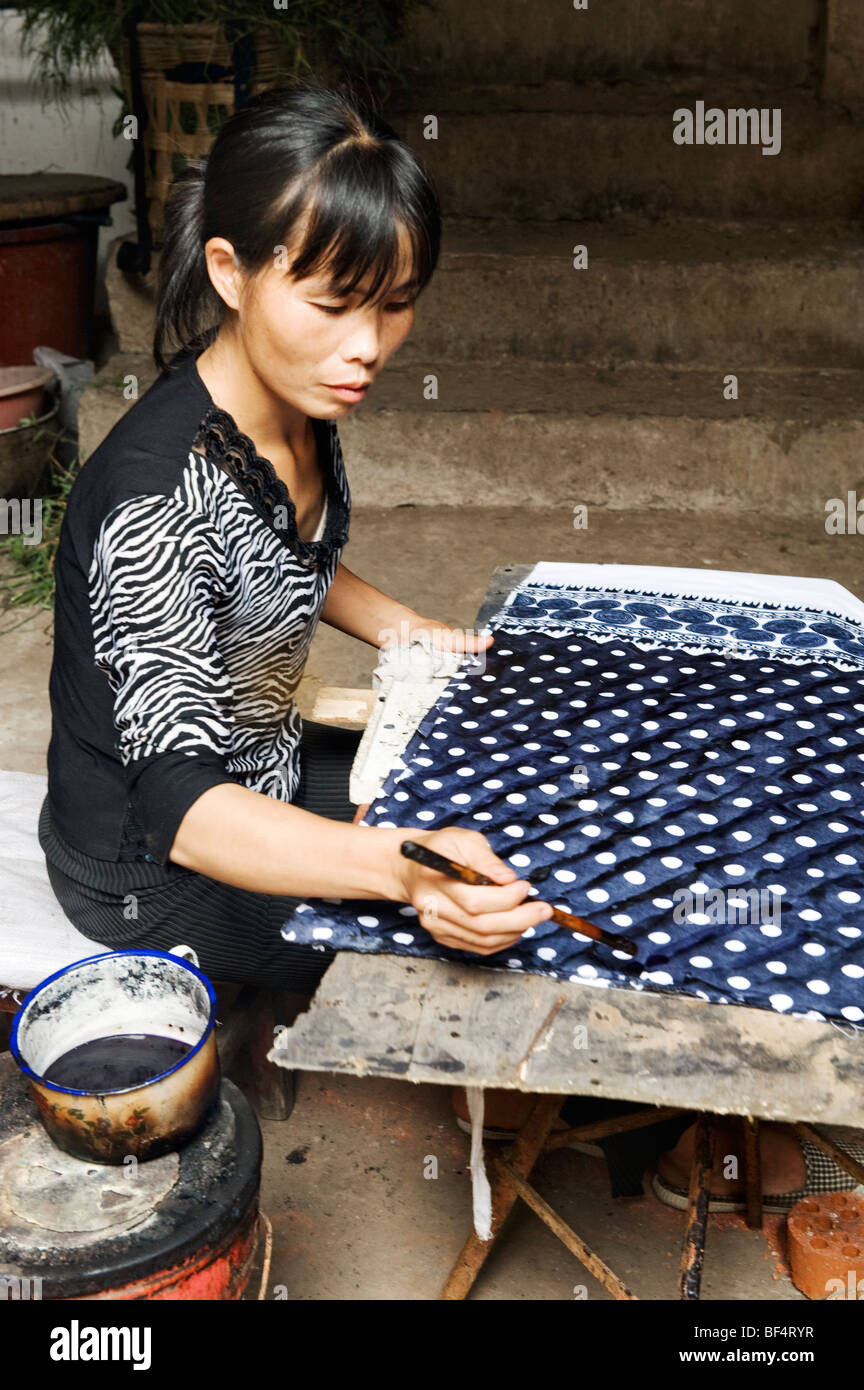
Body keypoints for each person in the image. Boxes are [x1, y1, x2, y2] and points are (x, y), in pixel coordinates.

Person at [38, 80, 555, 991]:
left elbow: (284, 553)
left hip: (264, 763)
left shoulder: (291, 392)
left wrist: (416, 633)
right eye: (333, 303)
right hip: (154, 868)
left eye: (395, 304)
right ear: (231, 272)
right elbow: (184, 812)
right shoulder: (157, 498)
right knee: (480, 927)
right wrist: (402, 867)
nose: (367, 346)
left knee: (510, 816)